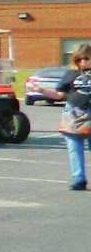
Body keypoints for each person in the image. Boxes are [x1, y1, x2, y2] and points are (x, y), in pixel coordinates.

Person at [41, 44, 91, 190]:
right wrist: (41, 90)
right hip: (74, 112)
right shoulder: (71, 74)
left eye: (86, 58)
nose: (82, 62)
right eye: (79, 59)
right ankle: (79, 179)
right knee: (74, 147)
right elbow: (59, 95)